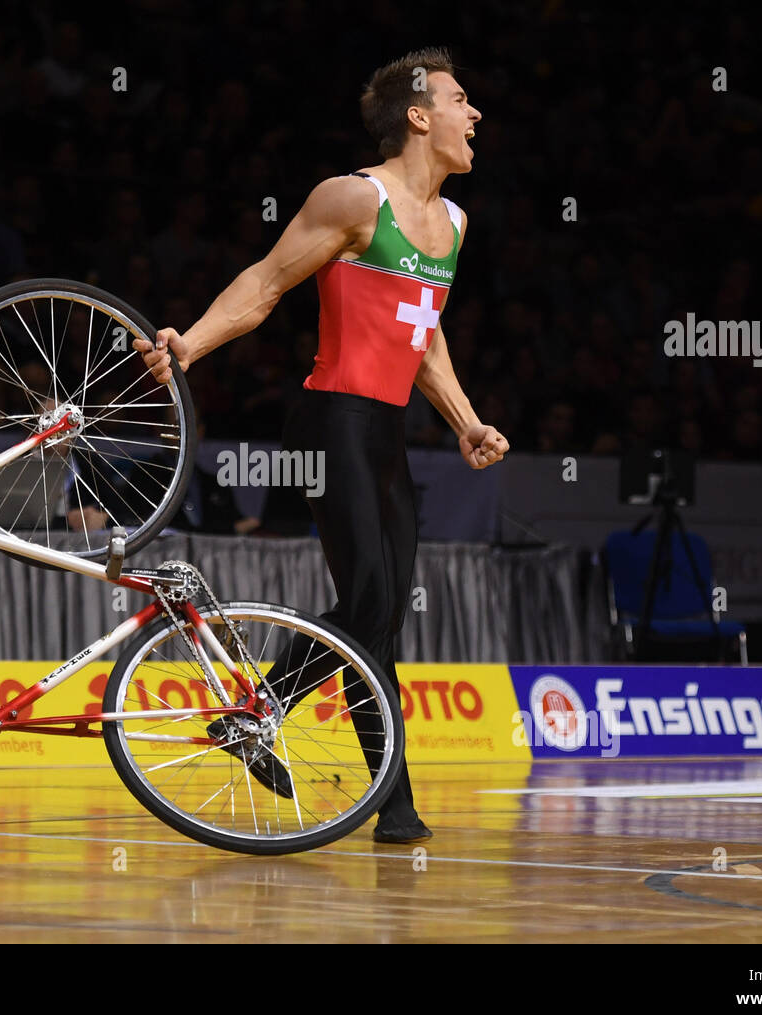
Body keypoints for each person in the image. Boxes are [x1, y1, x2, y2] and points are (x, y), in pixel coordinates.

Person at [135, 48, 509, 843]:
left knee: (382, 616)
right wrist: (191, 344)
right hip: (329, 418)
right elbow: (267, 282)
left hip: (388, 431)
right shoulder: (353, 197)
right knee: (371, 595)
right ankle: (263, 712)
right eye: (460, 99)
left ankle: (393, 805)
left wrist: (465, 418)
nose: (474, 115)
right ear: (418, 115)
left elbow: (423, 330)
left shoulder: (454, 223)